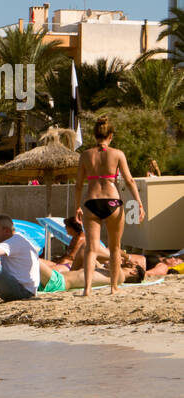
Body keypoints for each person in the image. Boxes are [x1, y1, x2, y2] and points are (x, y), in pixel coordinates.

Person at [78, 115, 146, 297]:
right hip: (112, 202)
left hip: (91, 202)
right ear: (111, 136)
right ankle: (114, 287)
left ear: (94, 135)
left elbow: (78, 184)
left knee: (91, 249)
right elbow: (130, 180)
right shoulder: (117, 154)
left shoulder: (85, 155)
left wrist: (77, 206)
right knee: (115, 248)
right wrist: (139, 202)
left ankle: (87, 288)